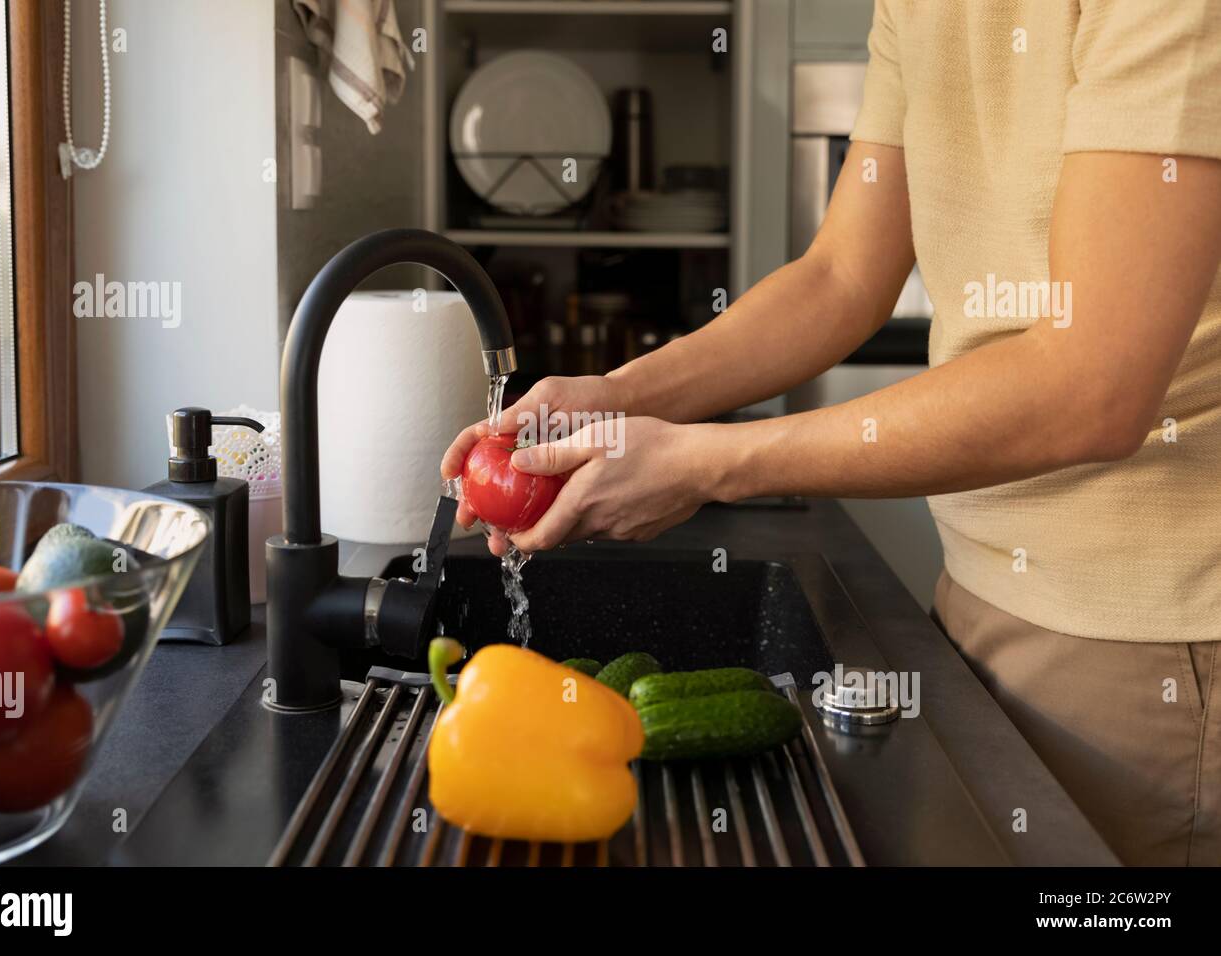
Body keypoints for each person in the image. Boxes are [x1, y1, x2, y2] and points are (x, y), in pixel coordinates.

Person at [441, 1, 1221, 866]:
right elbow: (841, 276)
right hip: (978, 593)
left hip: (1152, 638)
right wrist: (621, 394)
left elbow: (1094, 383)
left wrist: (711, 464)